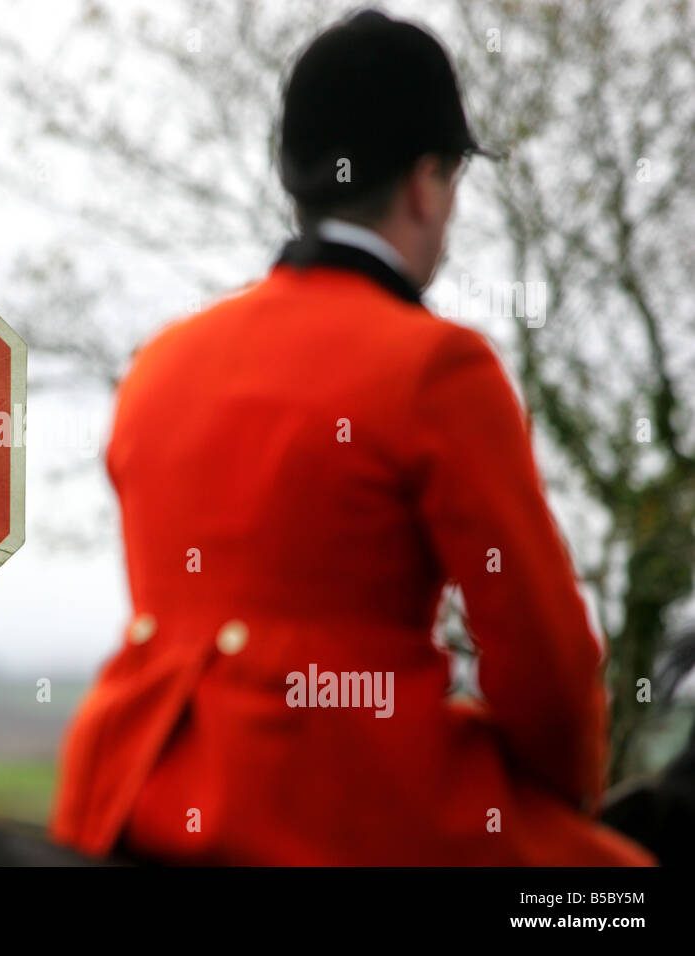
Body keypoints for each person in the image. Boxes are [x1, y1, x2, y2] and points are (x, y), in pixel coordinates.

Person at [48, 9, 655, 865]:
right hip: (334, 800)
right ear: (425, 183)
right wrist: (569, 790)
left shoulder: (164, 361)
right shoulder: (436, 367)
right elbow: (542, 657)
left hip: (125, 791)